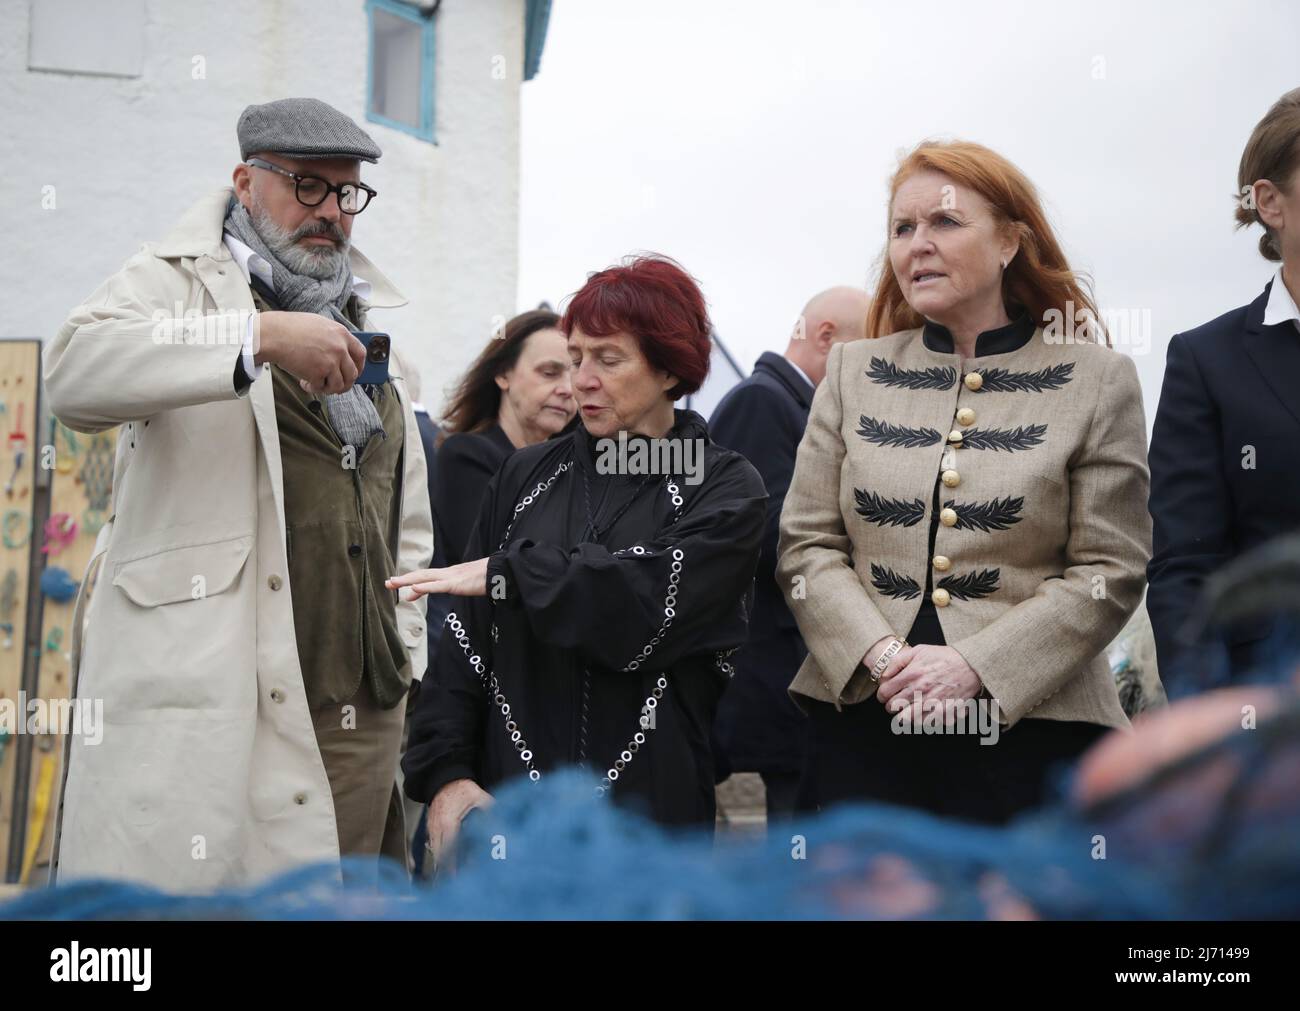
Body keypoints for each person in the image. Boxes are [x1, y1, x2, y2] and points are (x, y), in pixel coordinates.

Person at [44, 98, 433, 889]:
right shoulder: (173, 282)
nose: (330, 211)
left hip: (365, 706)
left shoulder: (364, 317)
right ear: (244, 182)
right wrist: (256, 338)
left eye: (346, 193)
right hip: (224, 693)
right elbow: (73, 374)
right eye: (307, 186)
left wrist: (406, 642)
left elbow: (406, 522)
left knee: (344, 907)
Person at [778, 140, 1151, 824]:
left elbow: (1111, 567)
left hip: (1035, 730)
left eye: (945, 222)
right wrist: (885, 656)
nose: (918, 244)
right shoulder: (850, 371)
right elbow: (806, 545)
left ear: (1011, 240)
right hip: (866, 722)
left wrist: (975, 664)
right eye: (902, 227)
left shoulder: (1099, 380)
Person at [392, 255, 766, 866]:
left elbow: (647, 605)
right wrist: (446, 773)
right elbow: (463, 641)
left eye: (608, 359)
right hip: (504, 815)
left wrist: (511, 574)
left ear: (670, 368)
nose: (579, 382)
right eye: (574, 358)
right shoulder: (524, 474)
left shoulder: (722, 486)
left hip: (651, 826)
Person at [1148, 87, 1300, 696]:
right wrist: (1204, 729)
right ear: (1270, 202)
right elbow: (1187, 568)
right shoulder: (1206, 361)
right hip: (1273, 720)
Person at [711, 286, 870, 822]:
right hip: (770, 674)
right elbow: (765, 537)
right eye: (866, 351)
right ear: (827, 337)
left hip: (784, 673)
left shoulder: (788, 404)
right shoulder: (762, 401)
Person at [433, 310, 576, 566]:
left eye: (574, 374)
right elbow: (489, 565)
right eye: (549, 372)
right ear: (502, 374)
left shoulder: (577, 464)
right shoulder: (466, 456)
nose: (567, 389)